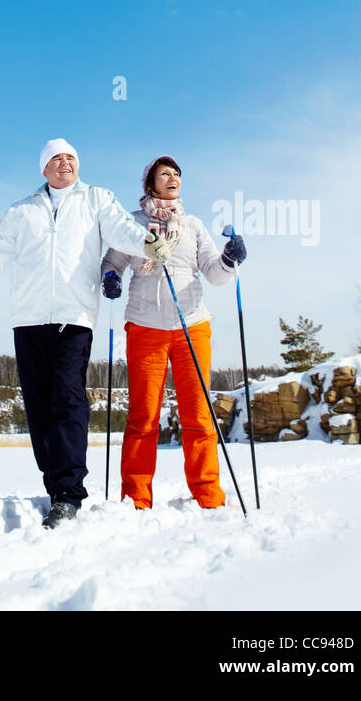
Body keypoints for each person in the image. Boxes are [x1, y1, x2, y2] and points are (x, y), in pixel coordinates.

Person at [0, 139, 169, 527]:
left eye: (70, 157)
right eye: (56, 158)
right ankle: (55, 486)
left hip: (74, 316)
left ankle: (69, 493)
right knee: (39, 407)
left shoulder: (96, 199)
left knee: (68, 399)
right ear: (44, 169)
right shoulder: (23, 211)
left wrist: (147, 243)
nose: (65, 162)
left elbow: (122, 229)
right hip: (29, 319)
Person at [101, 155, 246, 511]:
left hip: (191, 326)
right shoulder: (133, 225)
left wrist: (230, 259)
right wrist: (111, 278)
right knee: (143, 417)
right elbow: (113, 261)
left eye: (177, 173)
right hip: (145, 328)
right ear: (149, 183)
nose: (174, 177)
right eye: (165, 173)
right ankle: (136, 497)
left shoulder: (192, 225)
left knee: (198, 415)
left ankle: (208, 494)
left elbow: (214, 272)